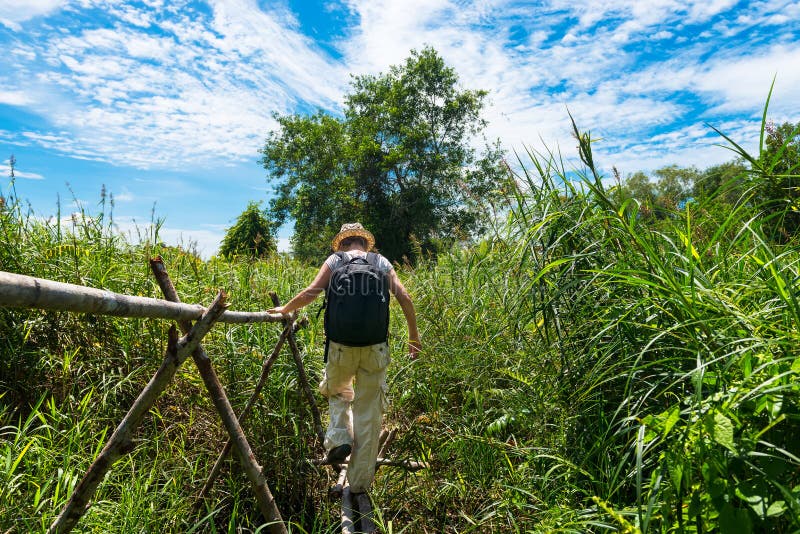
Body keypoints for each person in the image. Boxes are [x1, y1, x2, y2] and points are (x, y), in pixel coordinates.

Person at [267, 222, 421, 494]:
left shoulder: (335, 260)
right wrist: (413, 337)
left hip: (340, 347)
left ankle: (338, 439)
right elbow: (405, 297)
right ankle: (360, 484)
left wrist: (285, 308)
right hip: (375, 349)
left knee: (337, 390)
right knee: (369, 412)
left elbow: (311, 292)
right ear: (364, 242)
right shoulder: (381, 261)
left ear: (343, 242)